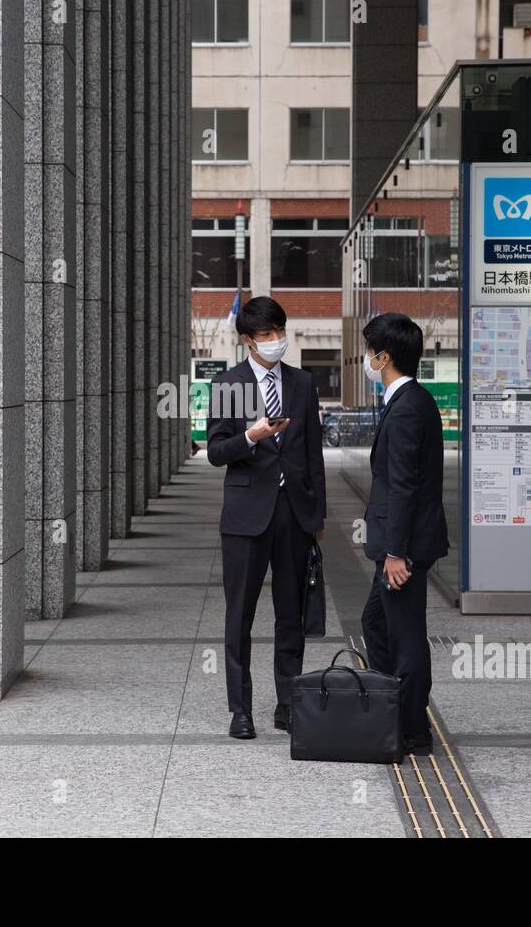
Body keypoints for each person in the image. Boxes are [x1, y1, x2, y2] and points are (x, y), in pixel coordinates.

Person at [207, 297, 326, 740]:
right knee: (240, 615)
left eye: (279, 331)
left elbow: (313, 452)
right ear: (246, 340)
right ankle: (240, 710)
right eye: (265, 335)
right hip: (244, 517)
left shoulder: (303, 382)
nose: (276, 341)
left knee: (289, 614)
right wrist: (251, 435)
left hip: (293, 514)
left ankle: (288, 703)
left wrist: (317, 514)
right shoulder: (228, 383)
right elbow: (216, 452)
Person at [359, 313, 449, 754]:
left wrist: (396, 552)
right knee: (374, 621)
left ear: (384, 356)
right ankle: (391, 706)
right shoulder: (413, 400)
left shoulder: (407, 408)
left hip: (404, 548)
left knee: (406, 633)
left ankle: (412, 728)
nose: (366, 359)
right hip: (405, 543)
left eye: (368, 350)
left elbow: (403, 486)